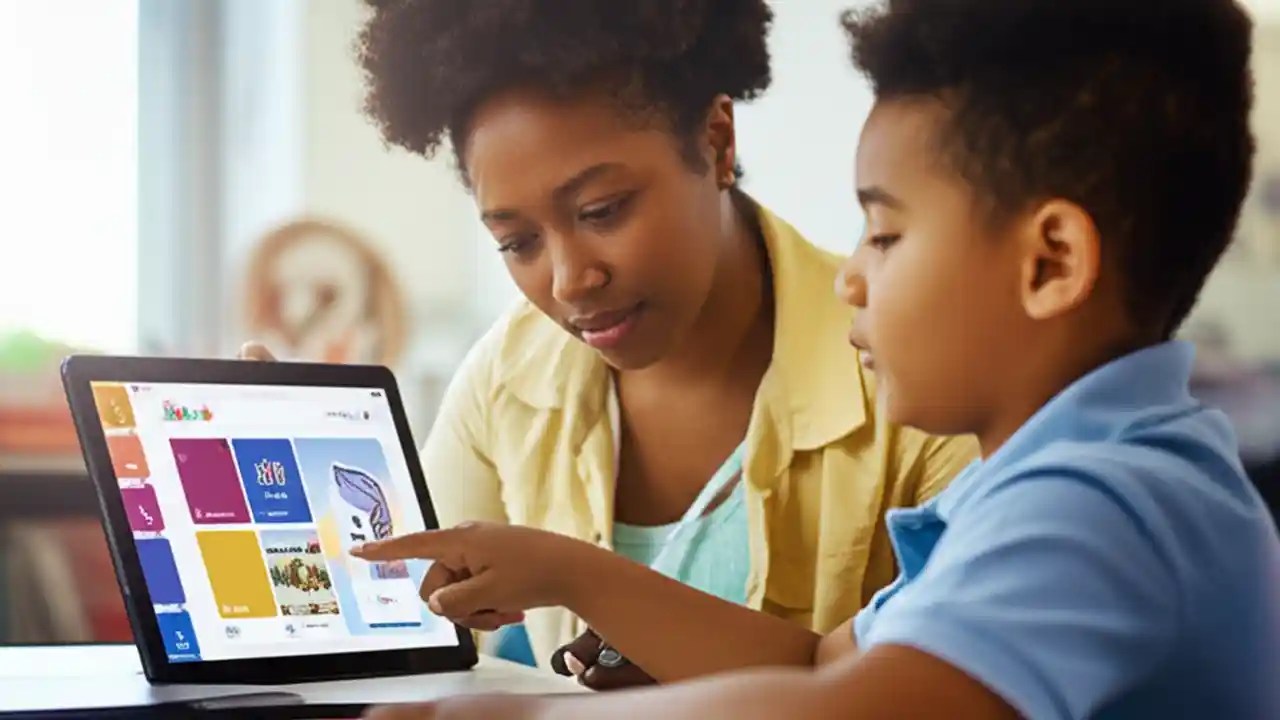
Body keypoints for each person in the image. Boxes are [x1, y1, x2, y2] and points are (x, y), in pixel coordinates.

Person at [353, 0, 1280, 717]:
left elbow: (851, 711)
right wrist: (572, 573)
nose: (849, 280)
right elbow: (820, 663)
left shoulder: (1106, 511)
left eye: (885, 233)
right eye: (516, 241)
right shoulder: (1031, 488)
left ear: (1050, 264)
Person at [243, 0, 976, 686]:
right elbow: (403, 609)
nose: (569, 280)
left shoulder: (922, 375)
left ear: (716, 142)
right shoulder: (510, 378)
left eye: (602, 209)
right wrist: (303, 506)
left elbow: (931, 687)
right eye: (516, 241)